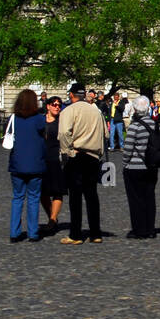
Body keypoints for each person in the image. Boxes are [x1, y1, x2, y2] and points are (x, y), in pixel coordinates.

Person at [58, 83, 105, 245]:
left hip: (76, 155)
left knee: (75, 197)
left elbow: (64, 132)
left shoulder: (69, 111)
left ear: (71, 95)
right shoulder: (96, 111)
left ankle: (76, 234)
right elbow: (104, 133)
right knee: (92, 195)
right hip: (93, 155)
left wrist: (67, 151)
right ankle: (95, 233)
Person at [7, 89, 48, 242]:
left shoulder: (14, 118)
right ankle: (32, 232)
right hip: (35, 163)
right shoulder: (38, 119)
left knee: (17, 198)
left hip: (17, 163)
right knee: (33, 198)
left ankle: (14, 231)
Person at [122, 95, 160, 239]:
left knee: (136, 200)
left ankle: (139, 229)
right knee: (149, 198)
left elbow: (128, 149)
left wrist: (125, 165)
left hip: (135, 167)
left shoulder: (135, 126)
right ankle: (150, 228)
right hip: (151, 166)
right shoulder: (156, 125)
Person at [41, 96, 65, 234]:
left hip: (57, 159)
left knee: (57, 190)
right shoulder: (41, 120)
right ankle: (52, 217)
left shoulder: (61, 122)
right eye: (54, 104)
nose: (57, 107)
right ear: (48, 106)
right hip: (42, 159)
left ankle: (52, 219)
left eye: (59, 105)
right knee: (42, 192)